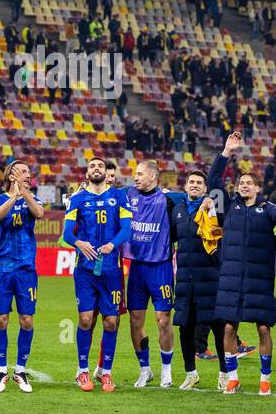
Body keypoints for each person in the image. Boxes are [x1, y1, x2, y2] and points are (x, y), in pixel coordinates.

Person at [206, 131, 276, 395]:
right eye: (241, 182)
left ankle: (265, 379)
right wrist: (227, 151)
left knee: (263, 328)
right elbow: (213, 180)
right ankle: (232, 377)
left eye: (249, 183)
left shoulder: (266, 208)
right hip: (231, 281)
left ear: (257, 188)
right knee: (229, 327)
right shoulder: (227, 208)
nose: (244, 185)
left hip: (259, 282)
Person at [62, 156, 132, 391]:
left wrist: (113, 244)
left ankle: (106, 373)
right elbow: (67, 233)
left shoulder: (119, 197)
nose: (96, 169)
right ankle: (82, 371)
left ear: (106, 172)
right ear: (86, 173)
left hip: (111, 270)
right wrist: (79, 243)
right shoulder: (77, 199)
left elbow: (126, 228)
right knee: (85, 319)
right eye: (92, 166)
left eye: (100, 166)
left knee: (111, 322)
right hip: (85, 270)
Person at [0, 159, 44, 393]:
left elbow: (39, 212)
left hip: (26, 269)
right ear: (11, 176)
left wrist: (25, 194)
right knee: (1, 319)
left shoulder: (34, 199)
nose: (28, 175)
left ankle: (20, 370)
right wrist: (14, 196)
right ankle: (2, 371)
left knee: (26, 320)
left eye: (29, 172)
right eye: (22, 172)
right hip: (1, 268)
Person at [122, 160, 177, 388]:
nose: (136, 177)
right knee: (135, 321)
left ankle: (166, 370)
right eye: (135, 173)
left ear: (153, 177)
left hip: (160, 268)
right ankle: (145, 370)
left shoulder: (169, 199)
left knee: (163, 321)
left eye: (140, 174)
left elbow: (193, 201)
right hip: (137, 268)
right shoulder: (128, 195)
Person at [168, 169, 222, 390]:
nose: (195, 185)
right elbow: (171, 239)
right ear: (185, 186)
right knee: (185, 328)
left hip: (209, 277)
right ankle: (191, 373)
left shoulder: (214, 209)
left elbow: (220, 237)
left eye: (199, 183)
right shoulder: (178, 210)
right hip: (184, 279)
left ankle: (225, 374)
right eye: (191, 182)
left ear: (205, 188)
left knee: (218, 327)